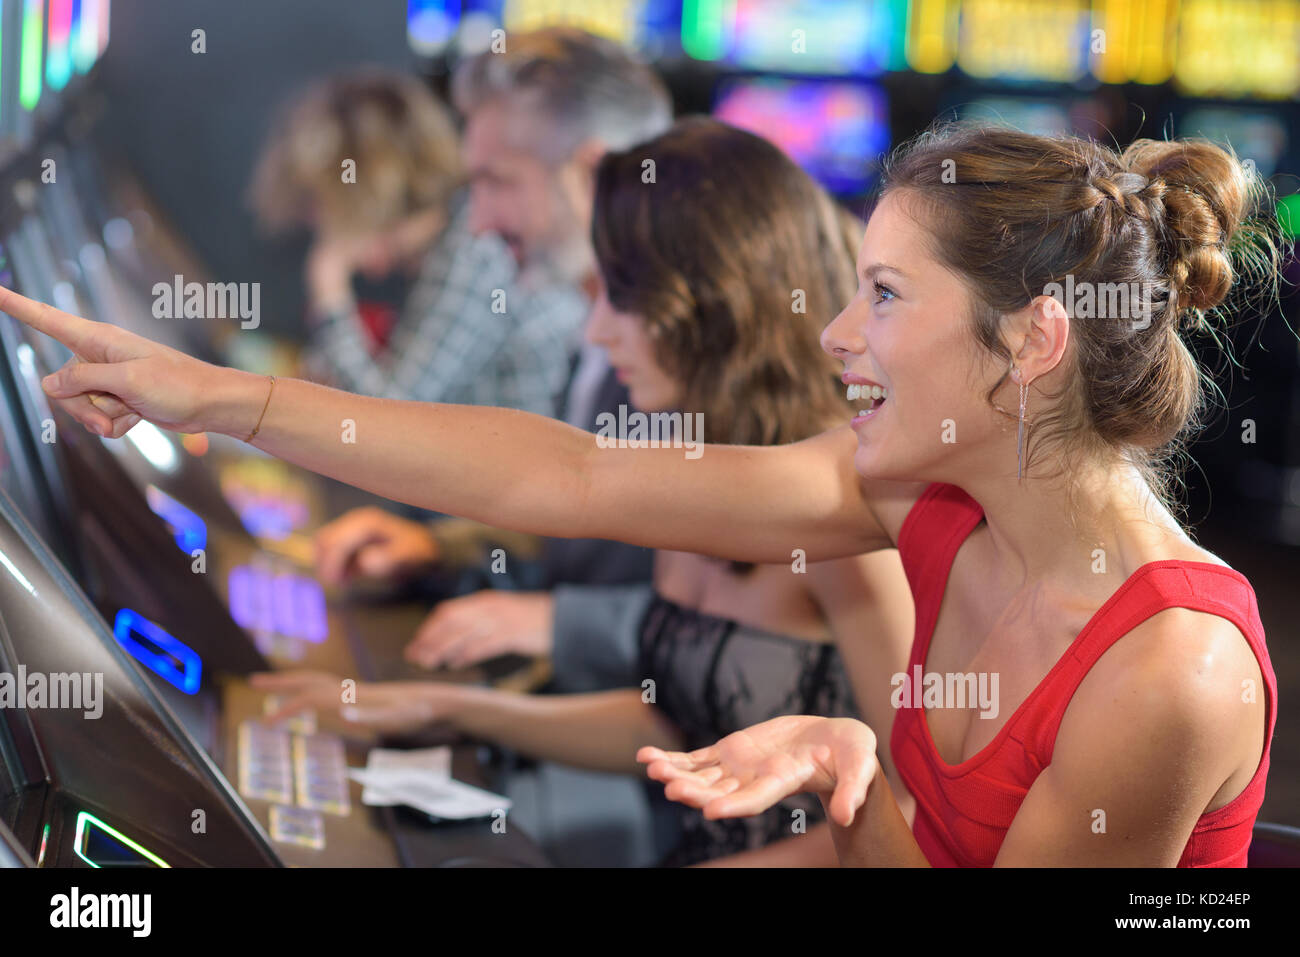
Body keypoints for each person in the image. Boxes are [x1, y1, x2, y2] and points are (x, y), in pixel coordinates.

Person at [12, 123, 1281, 867]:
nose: (833, 334)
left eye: (884, 297)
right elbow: (566, 475)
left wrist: (852, 763)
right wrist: (218, 398)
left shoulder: (1170, 671)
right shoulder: (925, 499)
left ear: (1035, 341)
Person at [255, 117, 916, 866]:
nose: (598, 329)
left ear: (712, 304)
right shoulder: (695, 465)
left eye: (621, 296)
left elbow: (910, 812)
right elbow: (675, 729)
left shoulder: (847, 520)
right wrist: (454, 707)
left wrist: (235, 403)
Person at [312, 27, 675, 692]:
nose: (476, 222)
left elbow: (737, 623)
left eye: (496, 181)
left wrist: (556, 621)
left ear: (589, 174)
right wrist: (439, 551)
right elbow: (572, 538)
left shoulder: (688, 347)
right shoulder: (594, 324)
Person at [250, 68, 585, 415]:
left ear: (367, 191)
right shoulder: (454, 242)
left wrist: (328, 288)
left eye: (320, 205)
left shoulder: (472, 251)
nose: (318, 226)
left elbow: (383, 420)